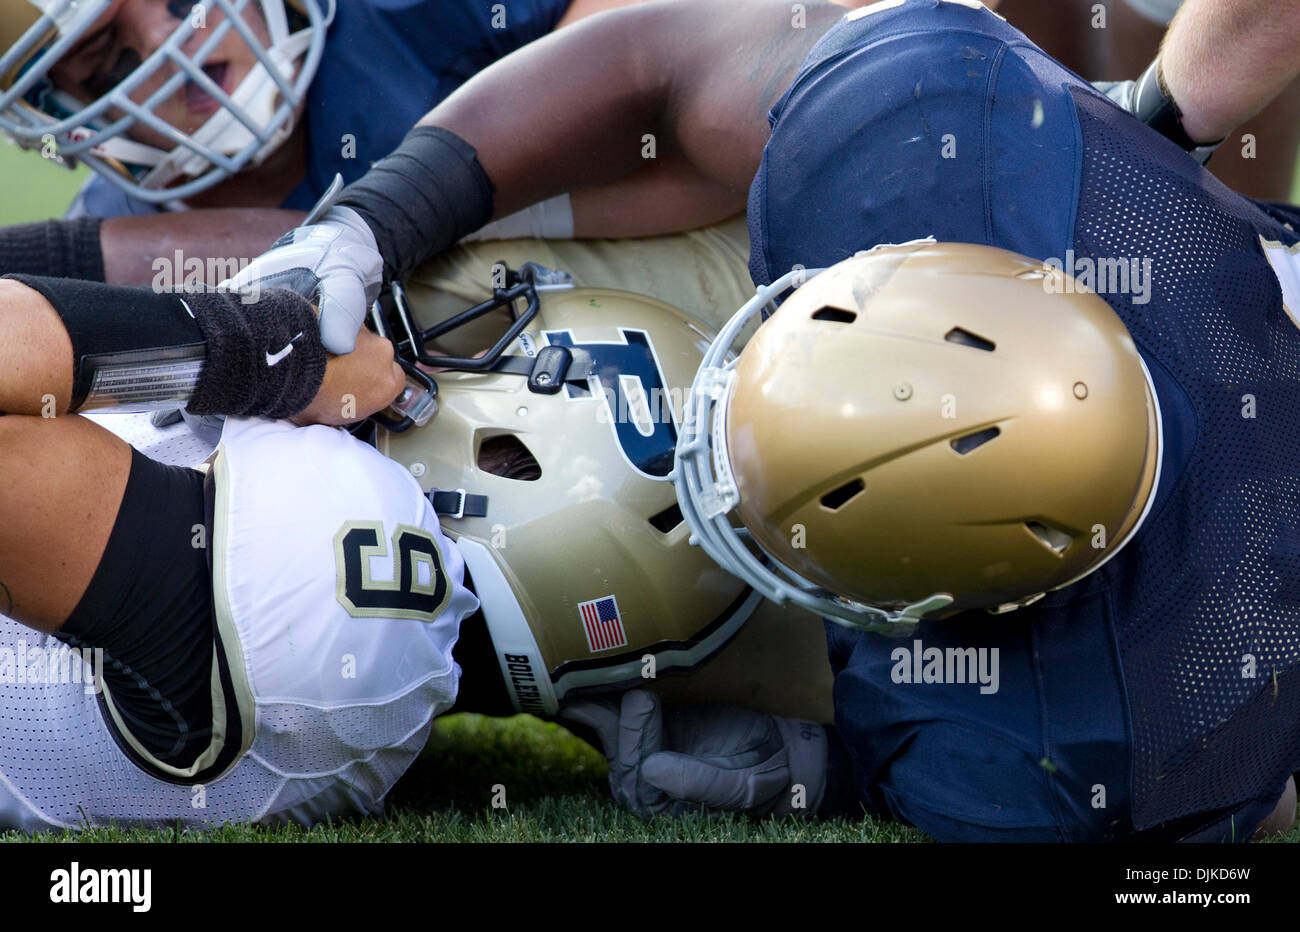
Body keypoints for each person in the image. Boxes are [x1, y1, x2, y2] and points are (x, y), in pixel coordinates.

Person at [230, 0, 1300, 840]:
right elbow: (655, 57)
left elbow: (659, 55)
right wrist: (1150, 152)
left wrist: (831, 771)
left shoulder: (1077, 751)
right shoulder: (1088, 744)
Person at [0, 254, 833, 830]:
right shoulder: (381, 686)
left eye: (484, 360)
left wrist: (263, 353)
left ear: (504, 462)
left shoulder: (341, 548)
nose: (438, 353)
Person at [0, 0, 748, 285]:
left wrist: (461, 203)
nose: (171, 42)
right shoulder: (111, 247)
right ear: (52, 107)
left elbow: (713, 48)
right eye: (100, 52)